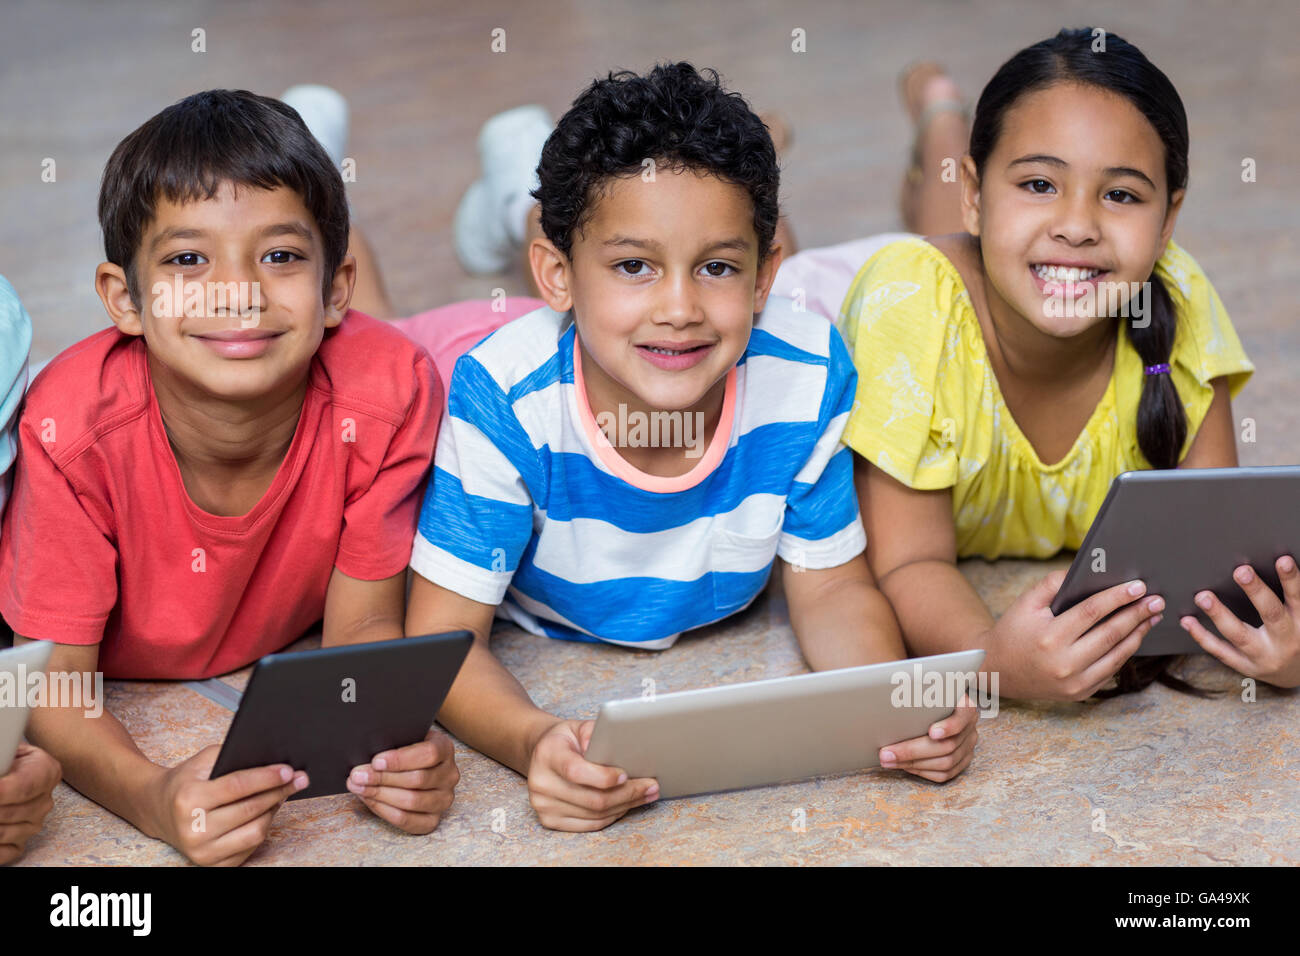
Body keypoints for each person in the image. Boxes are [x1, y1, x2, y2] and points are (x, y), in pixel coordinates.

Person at [399, 63, 980, 833]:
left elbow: (832, 590)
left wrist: (889, 704)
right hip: (464, 344)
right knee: (384, 334)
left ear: (765, 273)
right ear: (559, 274)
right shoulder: (500, 402)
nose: (679, 309)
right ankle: (515, 194)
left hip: (618, 325)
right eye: (634, 266)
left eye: (717, 267)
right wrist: (534, 739)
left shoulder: (806, 377)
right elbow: (440, 643)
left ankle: (548, 209)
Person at [0, 89, 459, 865]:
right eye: (187, 259)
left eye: (280, 255)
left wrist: (397, 742)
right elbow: (48, 687)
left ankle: (471, 205)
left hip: (367, 350)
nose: (237, 291)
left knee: (414, 339)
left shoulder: (392, 393)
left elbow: (361, 629)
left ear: (331, 286)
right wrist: (151, 797)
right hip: (198, 379)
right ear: (123, 300)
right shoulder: (68, 430)